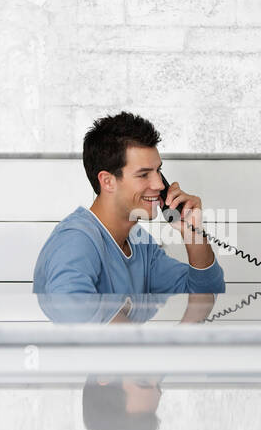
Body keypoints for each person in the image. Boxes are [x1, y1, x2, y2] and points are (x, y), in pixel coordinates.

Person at [32, 111, 225, 295]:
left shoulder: (139, 243)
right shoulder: (75, 242)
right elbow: (74, 316)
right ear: (108, 181)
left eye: (158, 171)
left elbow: (204, 295)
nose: (159, 184)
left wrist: (193, 234)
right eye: (143, 174)